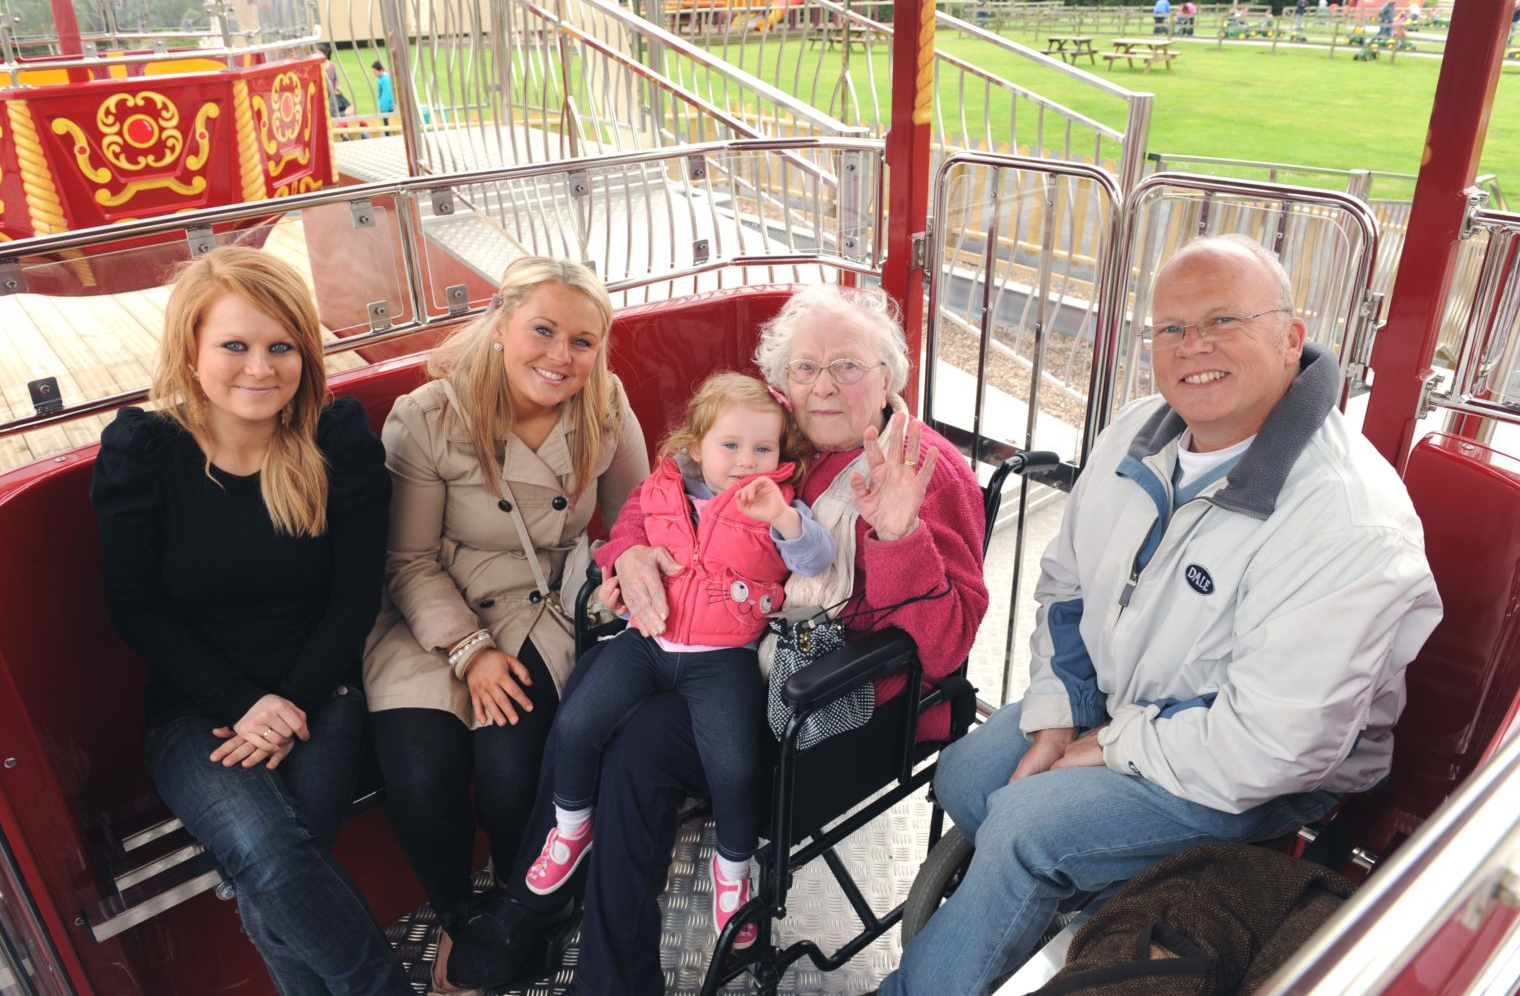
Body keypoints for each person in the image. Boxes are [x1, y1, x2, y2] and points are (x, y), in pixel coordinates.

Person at [876, 235, 1443, 996]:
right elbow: (1067, 586)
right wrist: (1059, 713)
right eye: (1170, 329)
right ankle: (1085, 906)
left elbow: (1276, 747)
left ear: (1290, 337)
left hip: (1261, 774)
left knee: (1022, 828)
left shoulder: (1347, 522)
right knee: (970, 772)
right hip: (1126, 703)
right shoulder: (1140, 429)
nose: (1192, 348)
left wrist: (1114, 746)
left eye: (1222, 322)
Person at [471, 283, 990, 995]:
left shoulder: (925, 471)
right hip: (735, 656)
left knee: (637, 748)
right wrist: (626, 555)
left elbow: (946, 647)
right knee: (606, 708)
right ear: (780, 383)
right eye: (805, 369)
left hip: (844, 704)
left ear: (890, 376)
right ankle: (565, 921)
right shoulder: (773, 440)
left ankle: (584, 952)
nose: (824, 386)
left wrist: (900, 535)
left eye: (847, 365)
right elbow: (668, 502)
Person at [90, 247, 410, 995]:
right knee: (270, 856)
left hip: (320, 696)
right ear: (190, 352)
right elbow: (135, 605)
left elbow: (355, 595)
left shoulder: (337, 442)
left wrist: (289, 701)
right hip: (197, 713)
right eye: (234, 345)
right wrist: (244, 704)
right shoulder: (142, 452)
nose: (259, 368)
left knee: (274, 870)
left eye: (280, 346)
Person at [362, 257, 649, 992]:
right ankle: (464, 921)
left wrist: (628, 574)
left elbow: (640, 521)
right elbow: (408, 559)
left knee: (512, 769)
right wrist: (469, 651)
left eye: (582, 342)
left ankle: (528, 907)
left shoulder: (604, 404)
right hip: (437, 612)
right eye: (543, 331)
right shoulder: (429, 416)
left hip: (544, 603)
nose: (561, 356)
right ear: (500, 327)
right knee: (419, 773)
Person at [525, 372, 837, 952]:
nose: (746, 462)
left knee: (735, 767)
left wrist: (783, 517)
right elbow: (622, 536)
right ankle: (571, 828)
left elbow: (816, 558)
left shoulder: (776, 502)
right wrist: (625, 558)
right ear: (696, 447)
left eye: (763, 449)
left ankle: (733, 873)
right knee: (574, 725)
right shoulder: (661, 490)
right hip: (649, 642)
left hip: (724, 659)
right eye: (731, 446)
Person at [320, 43, 349, 119]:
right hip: (321, 94)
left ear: (325, 54)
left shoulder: (331, 65)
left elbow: (336, 78)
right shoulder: (317, 66)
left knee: (331, 111)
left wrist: (337, 86)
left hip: (331, 94)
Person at [372, 59, 393, 126]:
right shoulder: (381, 79)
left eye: (375, 71)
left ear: (381, 70)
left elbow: (386, 95)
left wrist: (384, 108)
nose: (374, 73)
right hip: (385, 107)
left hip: (387, 108)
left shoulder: (384, 80)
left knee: (388, 127)